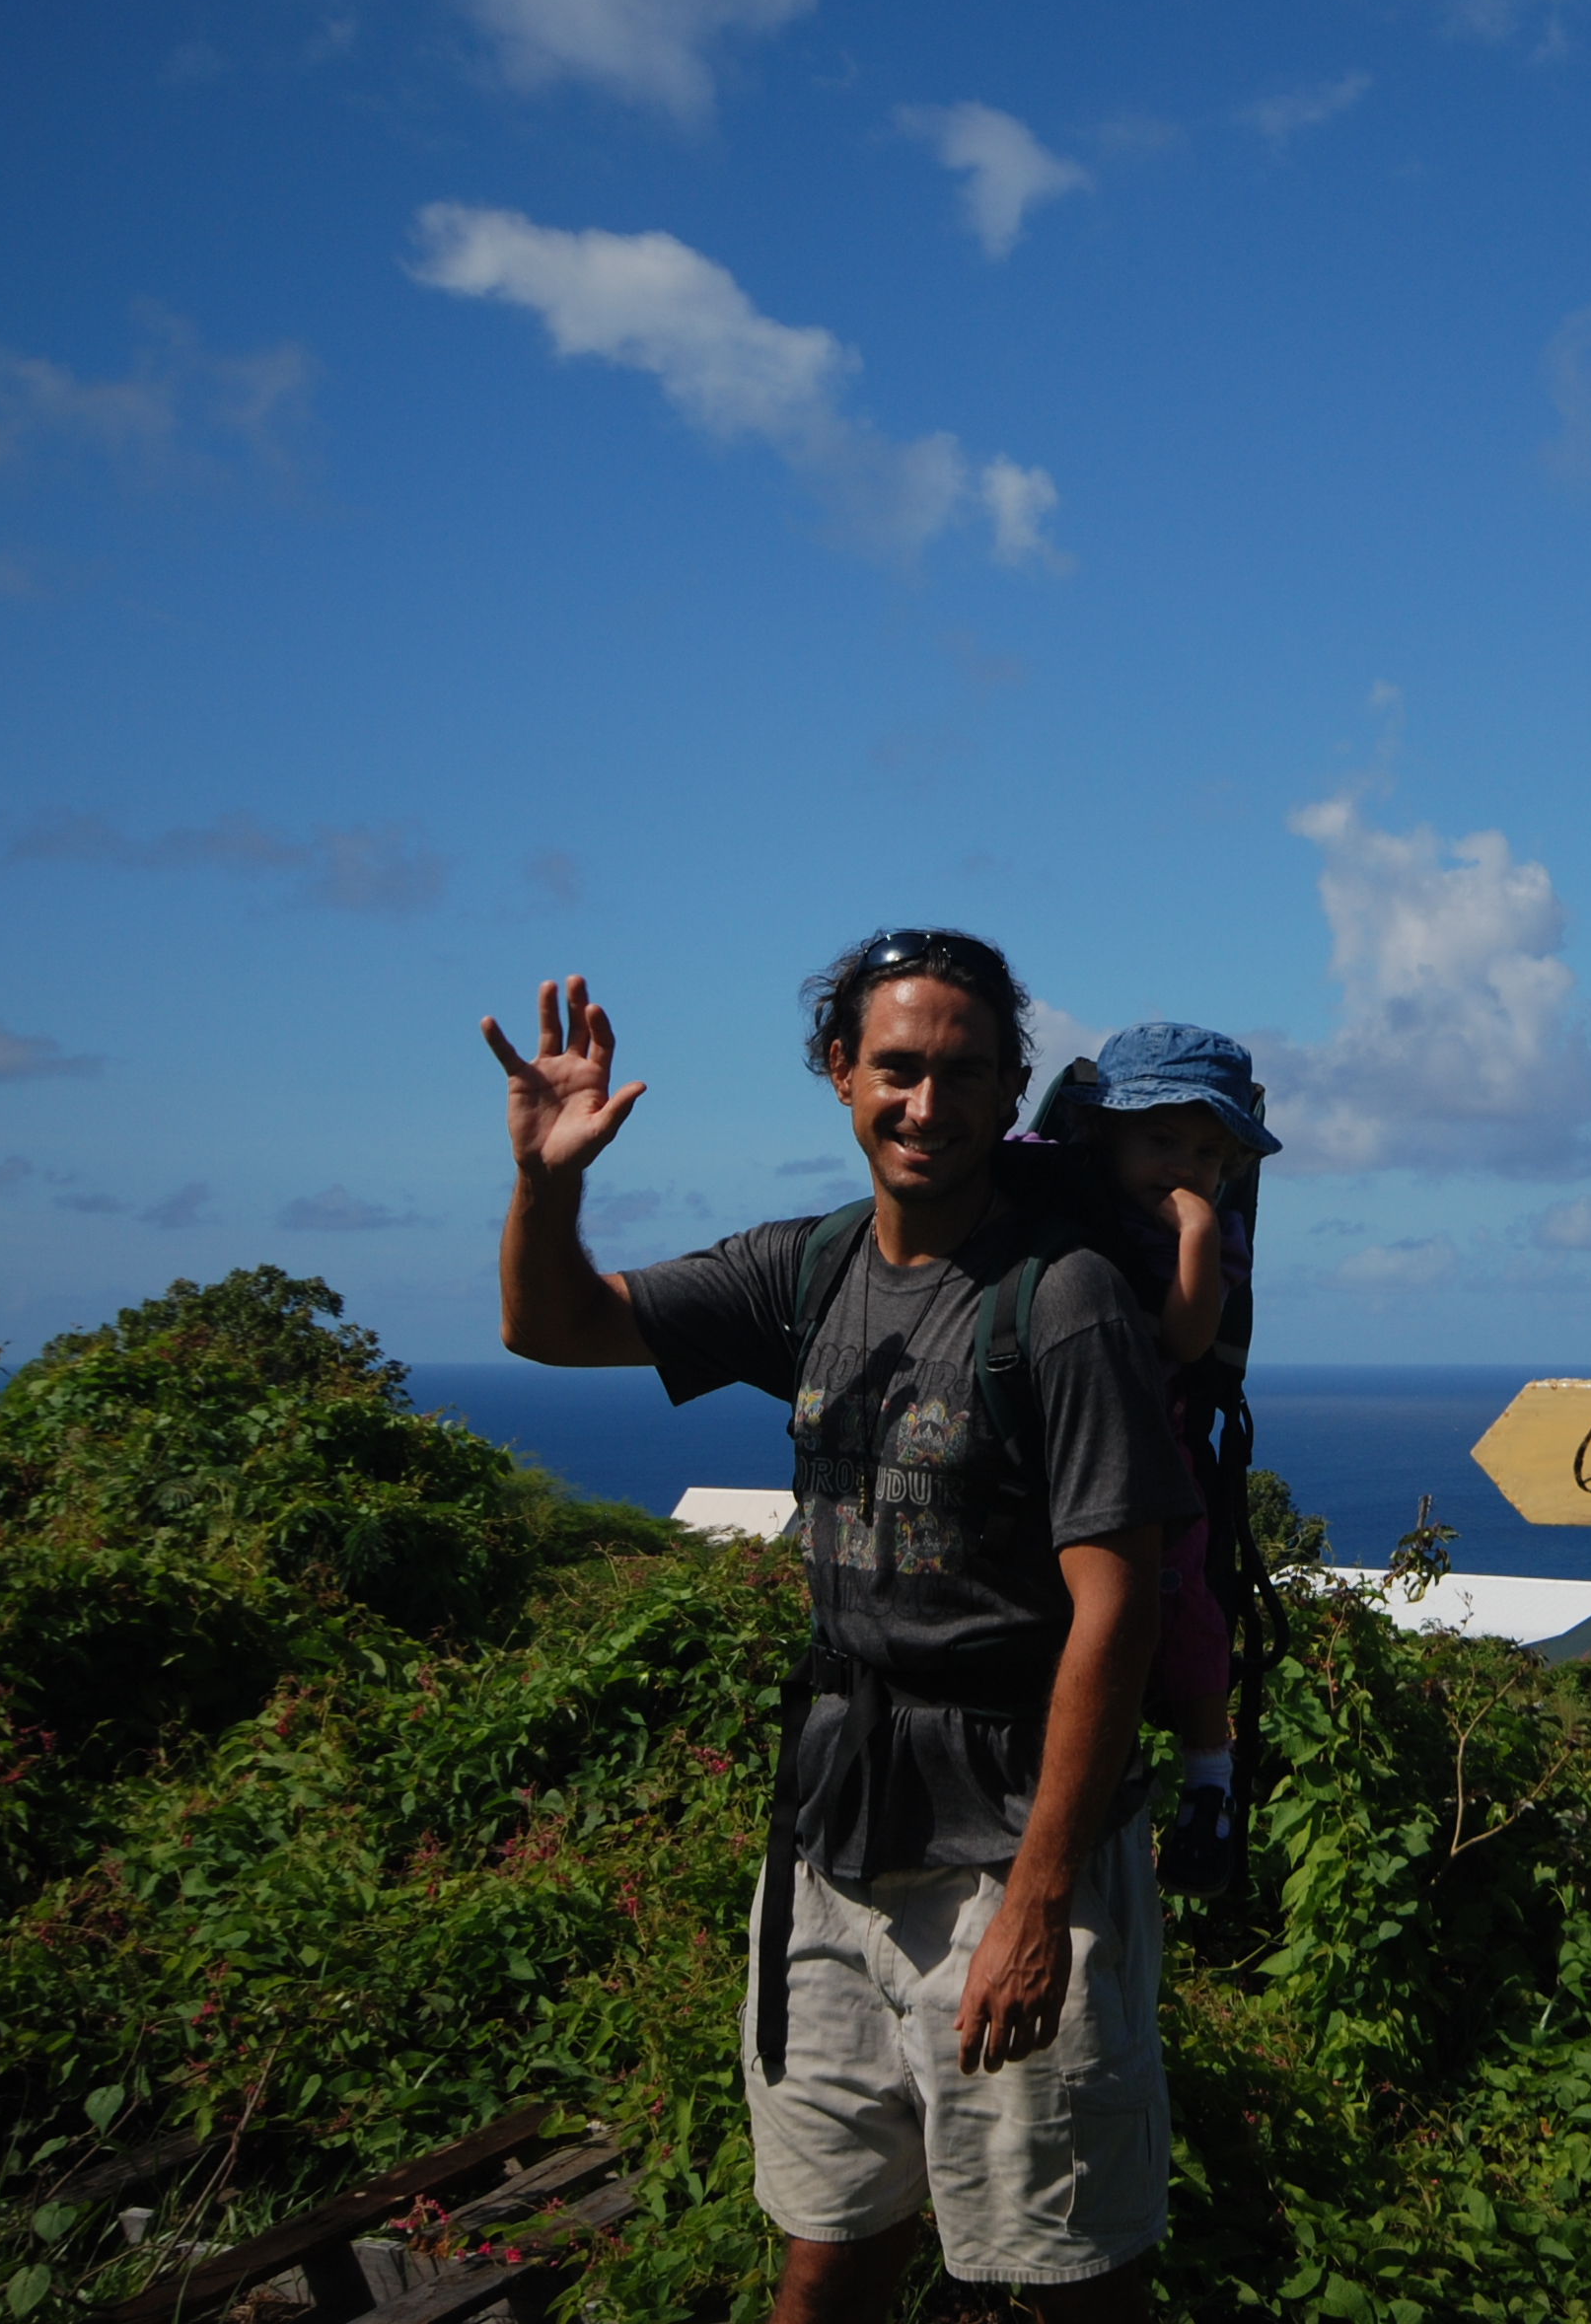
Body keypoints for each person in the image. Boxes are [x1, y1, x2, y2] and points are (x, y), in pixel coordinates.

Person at [482, 934, 1199, 2322]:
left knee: (1062, 2273)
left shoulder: (1065, 1302)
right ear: (838, 1074)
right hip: (830, 1836)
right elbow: (553, 1329)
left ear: (1010, 1096)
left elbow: (1117, 1613)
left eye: (962, 1075)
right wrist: (542, 1184)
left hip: (1009, 1843)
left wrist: (1042, 1907)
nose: (926, 1105)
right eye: (897, 1069)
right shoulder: (804, 1272)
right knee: (830, 2243)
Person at [1038, 1023, 1282, 1899]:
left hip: (1156, 1460)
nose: (1184, 1167)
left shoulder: (1210, 1236)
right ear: (1102, 1135)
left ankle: (1208, 1783)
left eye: (1210, 1154)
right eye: (1161, 1140)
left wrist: (1195, 1232)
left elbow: (1187, 1334)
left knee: (1184, 1606)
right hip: (1063, 1452)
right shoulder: (1055, 1215)